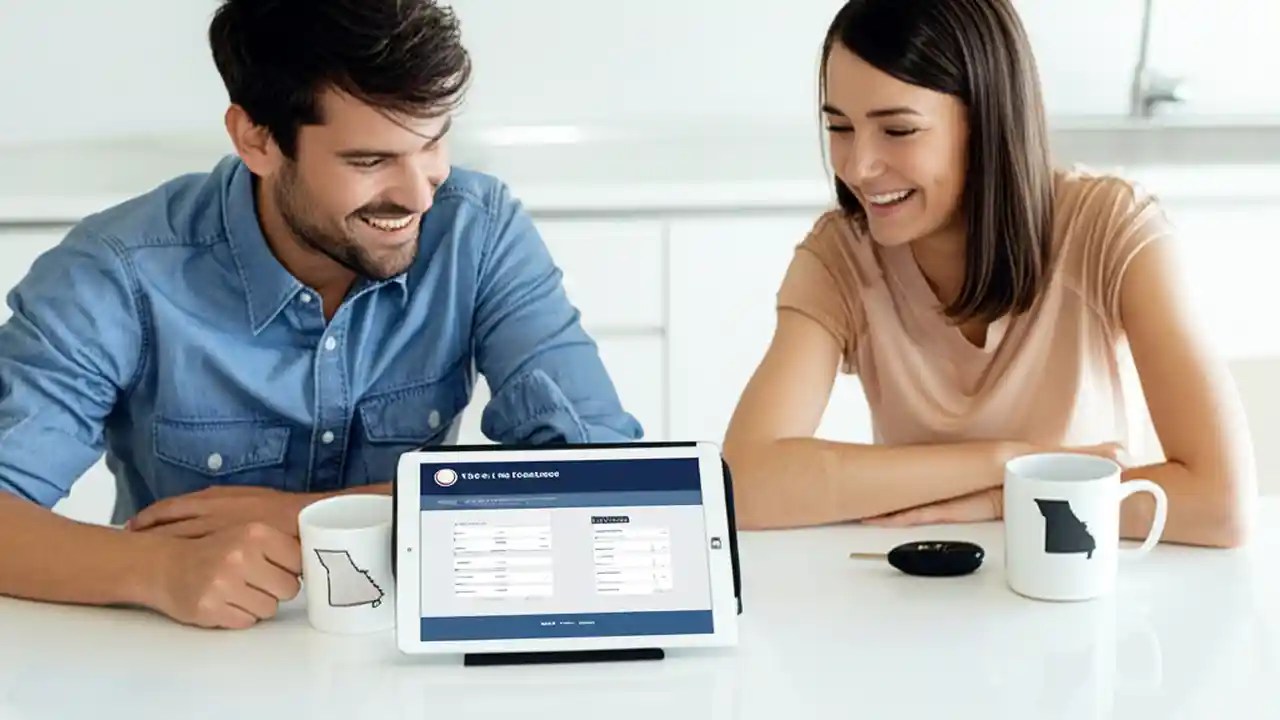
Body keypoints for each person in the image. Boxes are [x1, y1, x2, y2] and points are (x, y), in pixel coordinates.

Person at [0, 0, 640, 629]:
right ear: (256, 139)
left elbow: (609, 479)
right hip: (190, 662)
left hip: (410, 652)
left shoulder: (477, 230)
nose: (418, 194)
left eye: (432, 143)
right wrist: (155, 571)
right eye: (369, 161)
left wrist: (310, 516)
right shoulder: (118, 270)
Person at [723, 0, 1256, 547]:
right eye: (839, 126)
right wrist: (1015, 463)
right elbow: (745, 483)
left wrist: (1005, 501)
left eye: (898, 131)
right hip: (923, 593)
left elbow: (1222, 505)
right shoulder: (841, 256)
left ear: (986, 121)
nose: (858, 166)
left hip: (1087, 583)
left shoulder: (1109, 229)